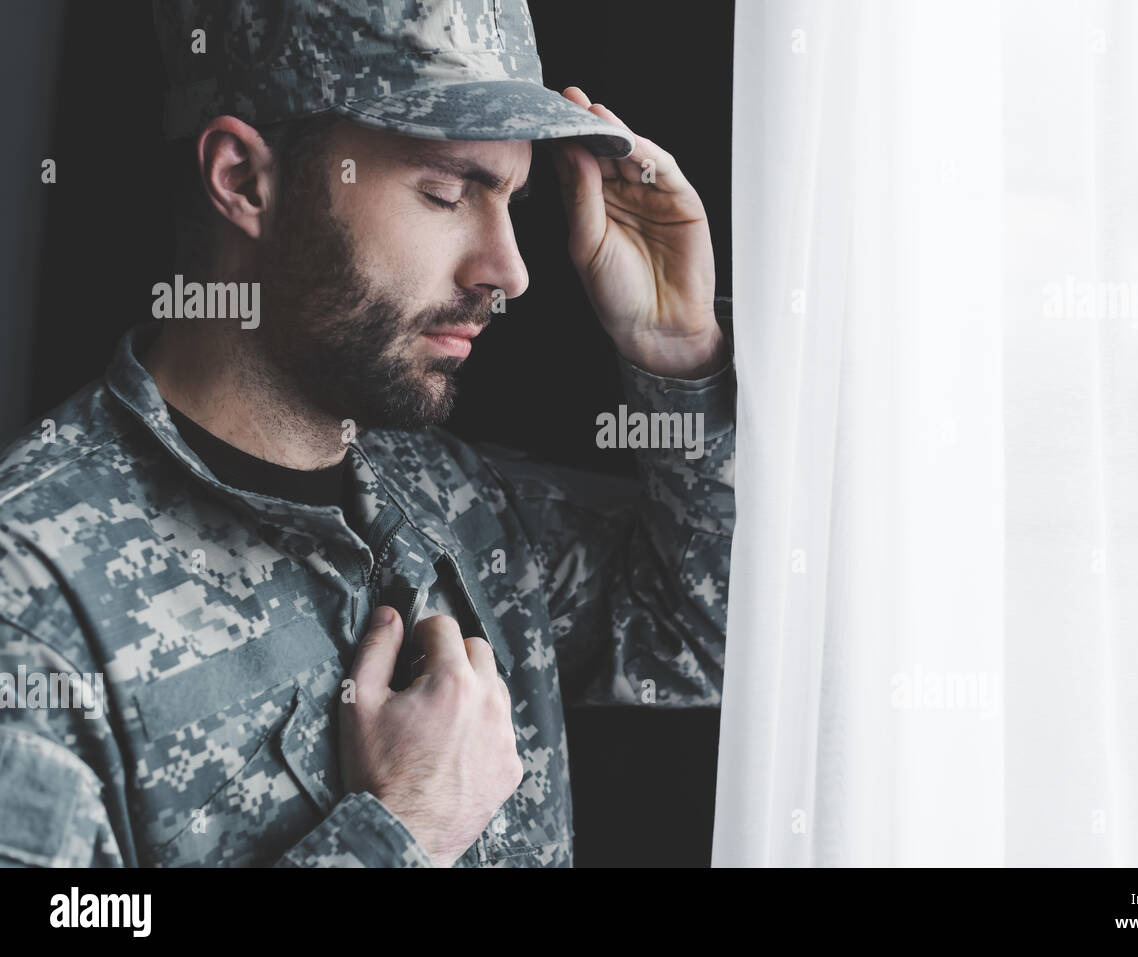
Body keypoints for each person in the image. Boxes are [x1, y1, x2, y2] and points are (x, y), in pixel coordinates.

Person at [0, 0, 734, 867]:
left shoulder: (452, 502)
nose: (511, 271)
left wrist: (676, 356)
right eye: (446, 192)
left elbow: (701, 635)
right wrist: (400, 834)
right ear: (242, 180)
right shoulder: (36, 604)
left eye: (513, 202)